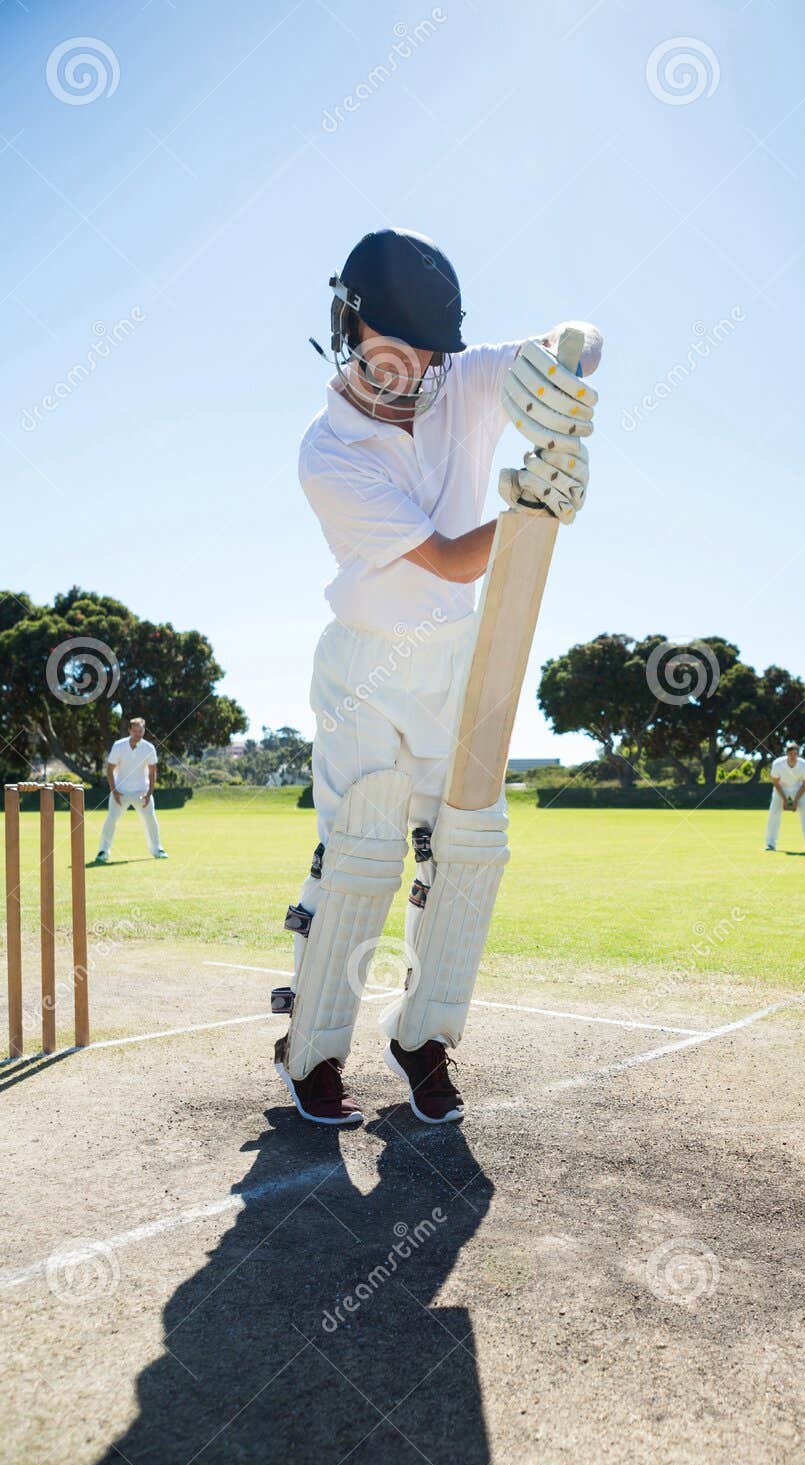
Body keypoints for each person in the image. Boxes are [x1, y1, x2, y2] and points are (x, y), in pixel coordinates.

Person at [272, 227, 602, 1127]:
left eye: (420, 363)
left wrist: (569, 366)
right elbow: (456, 560)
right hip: (366, 667)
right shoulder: (327, 450)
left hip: (458, 662)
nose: (403, 381)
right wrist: (533, 507)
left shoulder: (457, 378)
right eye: (383, 359)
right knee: (365, 851)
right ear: (347, 328)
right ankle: (312, 1050)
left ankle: (422, 1041)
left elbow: (564, 348)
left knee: (468, 849)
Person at [94, 718, 168, 863]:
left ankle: (157, 849)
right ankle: (103, 851)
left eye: (140, 731)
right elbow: (110, 769)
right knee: (111, 820)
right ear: (129, 731)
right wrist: (114, 791)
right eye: (135, 731)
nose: (137, 734)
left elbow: (152, 772)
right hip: (120, 792)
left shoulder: (149, 748)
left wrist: (149, 793)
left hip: (142, 791)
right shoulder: (118, 746)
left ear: (144, 731)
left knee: (151, 820)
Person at [765, 741, 805, 856]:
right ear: (786, 754)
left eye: (795, 754)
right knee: (773, 814)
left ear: (798, 754)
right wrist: (785, 799)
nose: (792, 757)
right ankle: (770, 844)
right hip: (781, 790)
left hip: (798, 790)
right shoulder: (777, 764)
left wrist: (795, 801)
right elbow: (775, 782)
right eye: (790, 754)